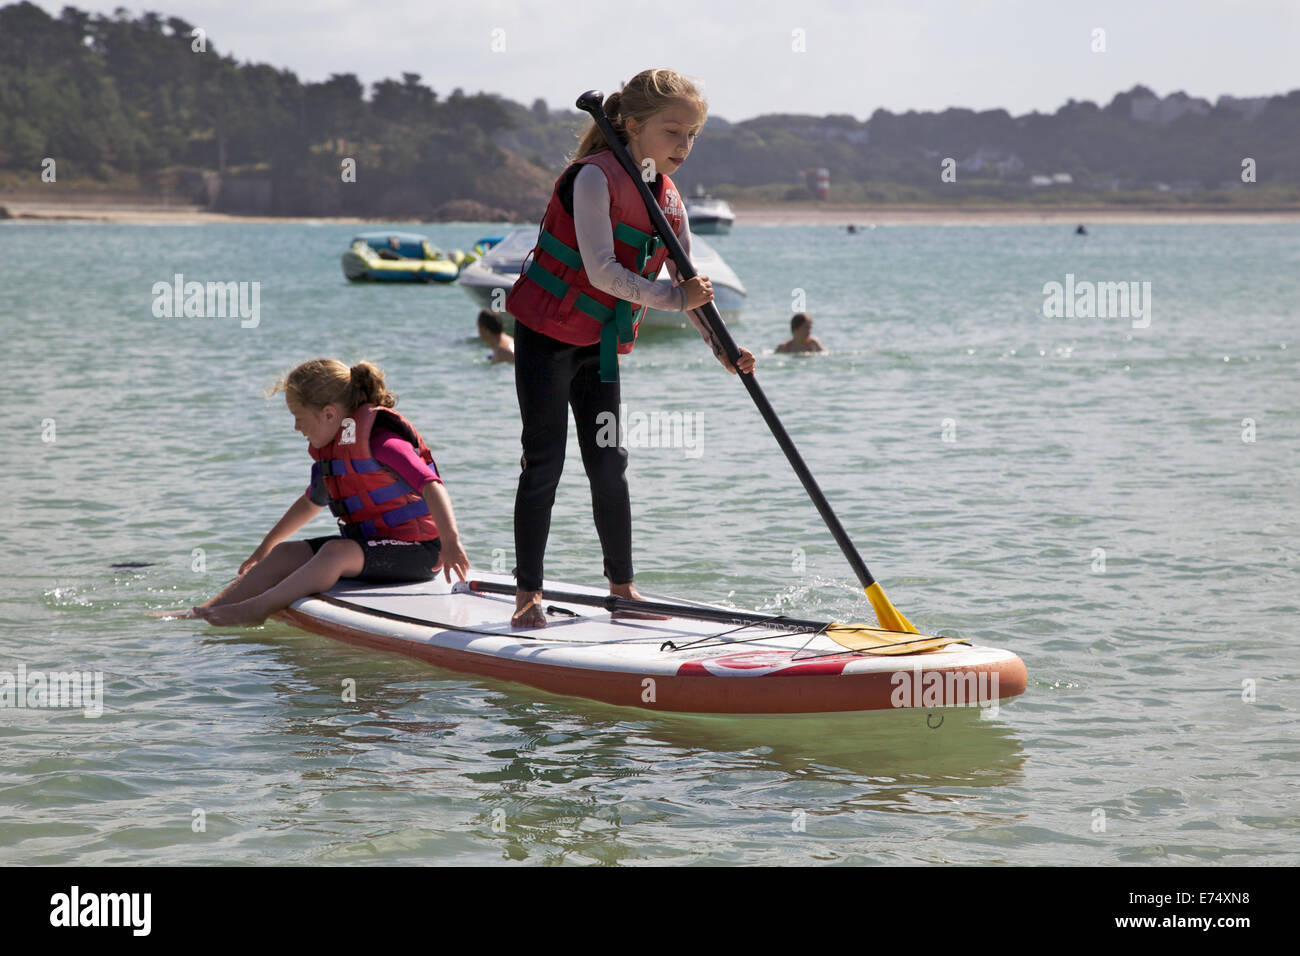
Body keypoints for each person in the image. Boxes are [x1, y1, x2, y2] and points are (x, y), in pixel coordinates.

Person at [504, 68, 755, 629]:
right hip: (547, 337)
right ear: (632, 126)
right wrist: (672, 297)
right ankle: (527, 596)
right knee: (543, 463)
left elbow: (689, 283)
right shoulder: (592, 178)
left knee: (609, 464)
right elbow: (602, 271)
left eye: (692, 135)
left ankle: (623, 589)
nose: (684, 147)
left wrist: (722, 347)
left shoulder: (668, 198)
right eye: (673, 132)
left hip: (600, 345)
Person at [192, 358, 470, 625]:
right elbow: (310, 503)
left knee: (334, 552)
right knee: (284, 552)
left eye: (299, 418)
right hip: (369, 548)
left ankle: (256, 609)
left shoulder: (382, 441)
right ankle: (206, 612)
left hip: (420, 553)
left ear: (329, 414)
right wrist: (265, 548)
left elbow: (431, 484)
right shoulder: (334, 455)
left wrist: (450, 540)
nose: (296, 427)